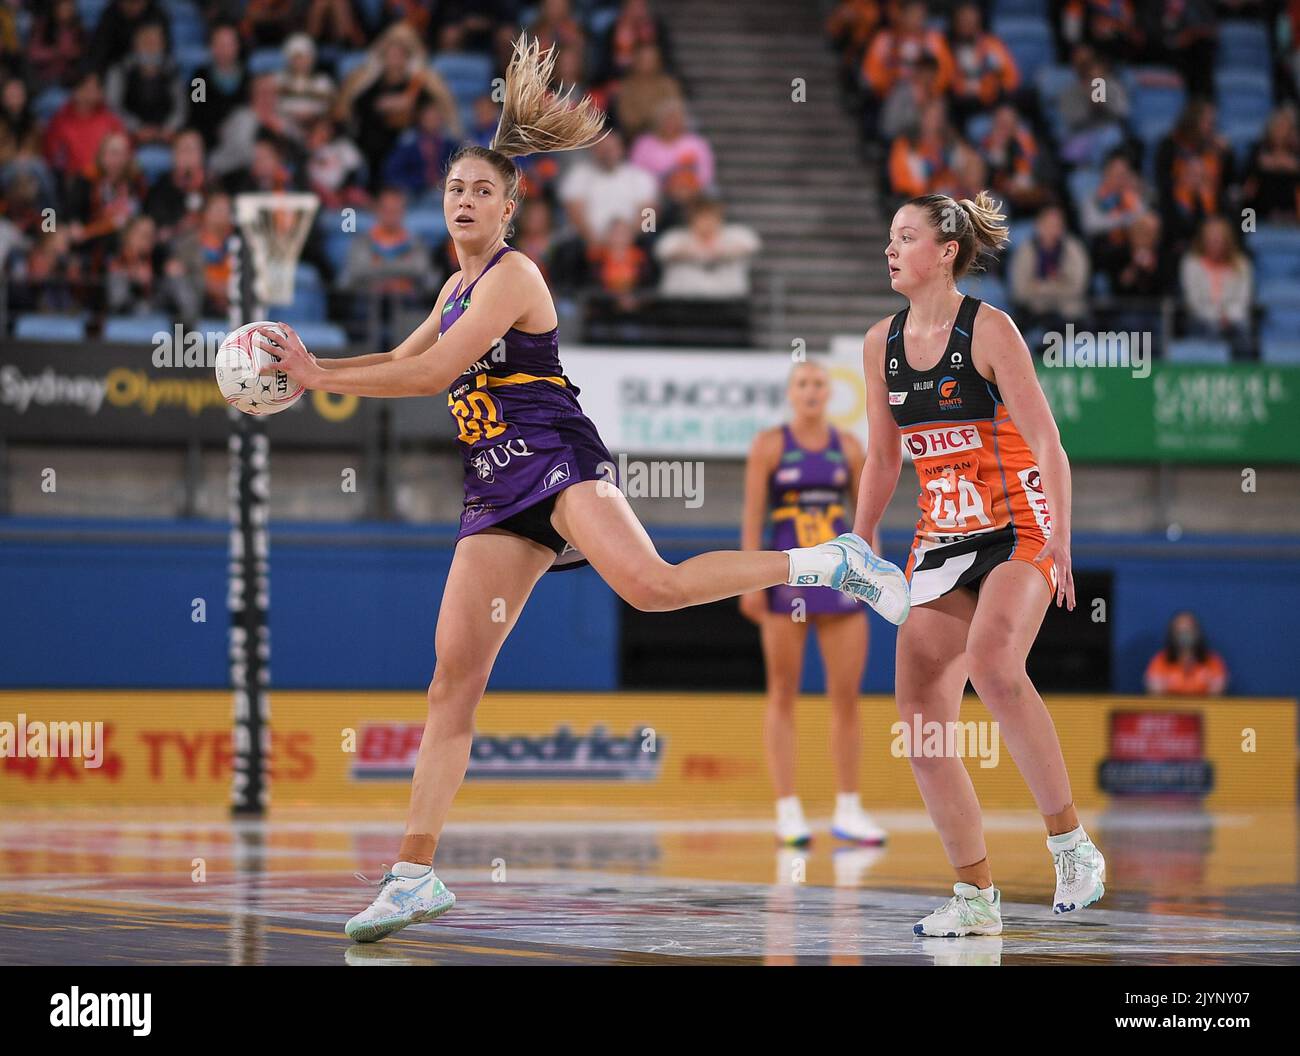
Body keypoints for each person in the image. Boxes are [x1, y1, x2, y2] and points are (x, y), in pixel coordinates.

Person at [254, 36, 912, 944]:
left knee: (654, 587)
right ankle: (413, 873)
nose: (465, 198)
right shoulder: (451, 284)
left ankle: (829, 558)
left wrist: (319, 378)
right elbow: (405, 359)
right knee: (453, 677)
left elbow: (433, 372)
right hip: (492, 485)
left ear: (511, 207)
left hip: (556, 455)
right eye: (455, 188)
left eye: (483, 190)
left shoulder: (513, 275)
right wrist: (312, 368)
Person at [857, 189, 1105, 936]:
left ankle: (1072, 846)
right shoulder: (880, 342)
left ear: (946, 252)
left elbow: (1049, 443)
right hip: (941, 541)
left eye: (905, 237)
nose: (892, 249)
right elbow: (882, 453)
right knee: (920, 720)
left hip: (1018, 526)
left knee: (996, 663)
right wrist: (860, 538)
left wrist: (1061, 537)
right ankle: (975, 900)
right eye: (891, 237)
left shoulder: (990, 331)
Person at [741, 362, 887, 847]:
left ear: (830, 394)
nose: (811, 391)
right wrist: (749, 581)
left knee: (846, 698)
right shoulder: (768, 445)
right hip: (785, 580)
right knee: (782, 691)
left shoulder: (847, 446)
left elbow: (866, 518)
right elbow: (751, 520)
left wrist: (875, 573)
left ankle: (848, 808)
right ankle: (788, 810)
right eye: (802, 384)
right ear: (790, 392)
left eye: (819, 384)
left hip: (841, 580)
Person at [1144, 611, 1228, 696]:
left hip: (1204, 708)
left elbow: (1216, 695)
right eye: (1180, 631)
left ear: (1197, 632)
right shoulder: (1159, 661)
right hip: (1169, 709)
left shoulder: (1213, 661)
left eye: (1189, 630)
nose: (1185, 635)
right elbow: (1156, 694)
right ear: (1172, 634)